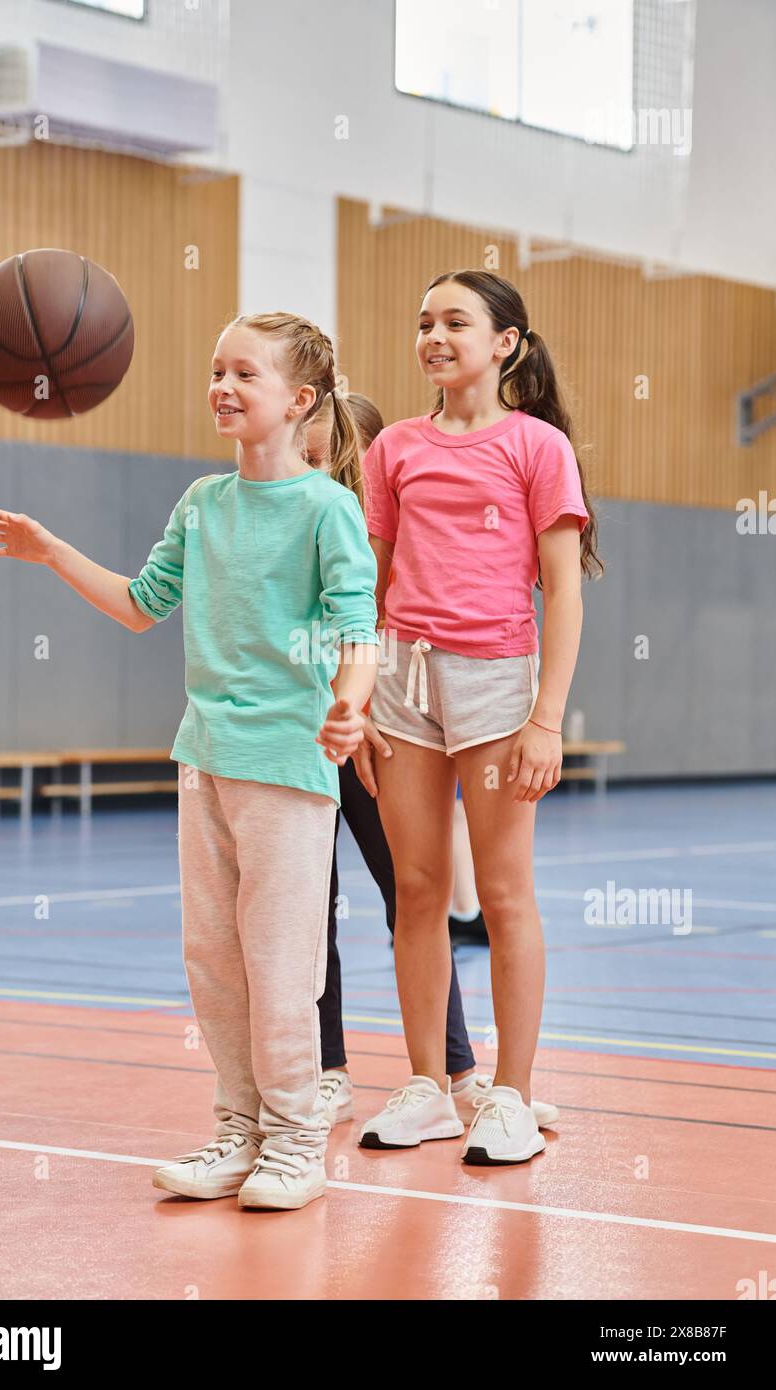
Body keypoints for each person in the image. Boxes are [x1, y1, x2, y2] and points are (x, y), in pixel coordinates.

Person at [0, 311, 379, 1211]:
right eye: (216, 369)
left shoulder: (327, 507)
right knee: (214, 960)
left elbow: (357, 628)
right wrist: (48, 552)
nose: (222, 387)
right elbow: (141, 603)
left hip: (289, 770)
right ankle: (240, 1129)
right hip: (205, 762)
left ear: (300, 400)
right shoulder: (202, 504)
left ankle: (297, 1142)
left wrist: (350, 703)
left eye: (245, 374)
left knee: (280, 967)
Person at [356, 269, 602, 1165]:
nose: (435, 335)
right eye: (424, 321)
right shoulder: (396, 451)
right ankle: (429, 1086)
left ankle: (512, 1097)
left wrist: (547, 717)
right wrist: (358, 691)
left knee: (502, 896)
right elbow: (369, 582)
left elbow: (563, 592)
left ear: (506, 343)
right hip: (403, 682)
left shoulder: (537, 447)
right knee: (416, 891)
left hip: (498, 681)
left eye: (456, 321)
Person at [303, 391, 559, 1133]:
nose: (316, 467)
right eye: (308, 456)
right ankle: (327, 1069)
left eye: (328, 457)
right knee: (314, 905)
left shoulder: (391, 518)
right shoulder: (291, 514)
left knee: (413, 893)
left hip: (384, 713)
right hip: (310, 726)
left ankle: (461, 1074)